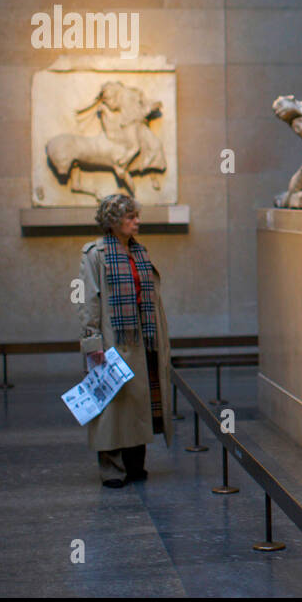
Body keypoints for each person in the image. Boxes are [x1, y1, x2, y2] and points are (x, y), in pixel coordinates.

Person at [77, 194, 174, 487]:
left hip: (143, 342)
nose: (137, 221)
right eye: (131, 217)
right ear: (114, 221)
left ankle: (135, 465)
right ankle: (112, 470)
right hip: (113, 344)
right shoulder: (95, 254)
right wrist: (92, 343)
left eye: (136, 216)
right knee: (111, 410)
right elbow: (88, 302)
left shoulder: (139, 252)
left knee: (139, 408)